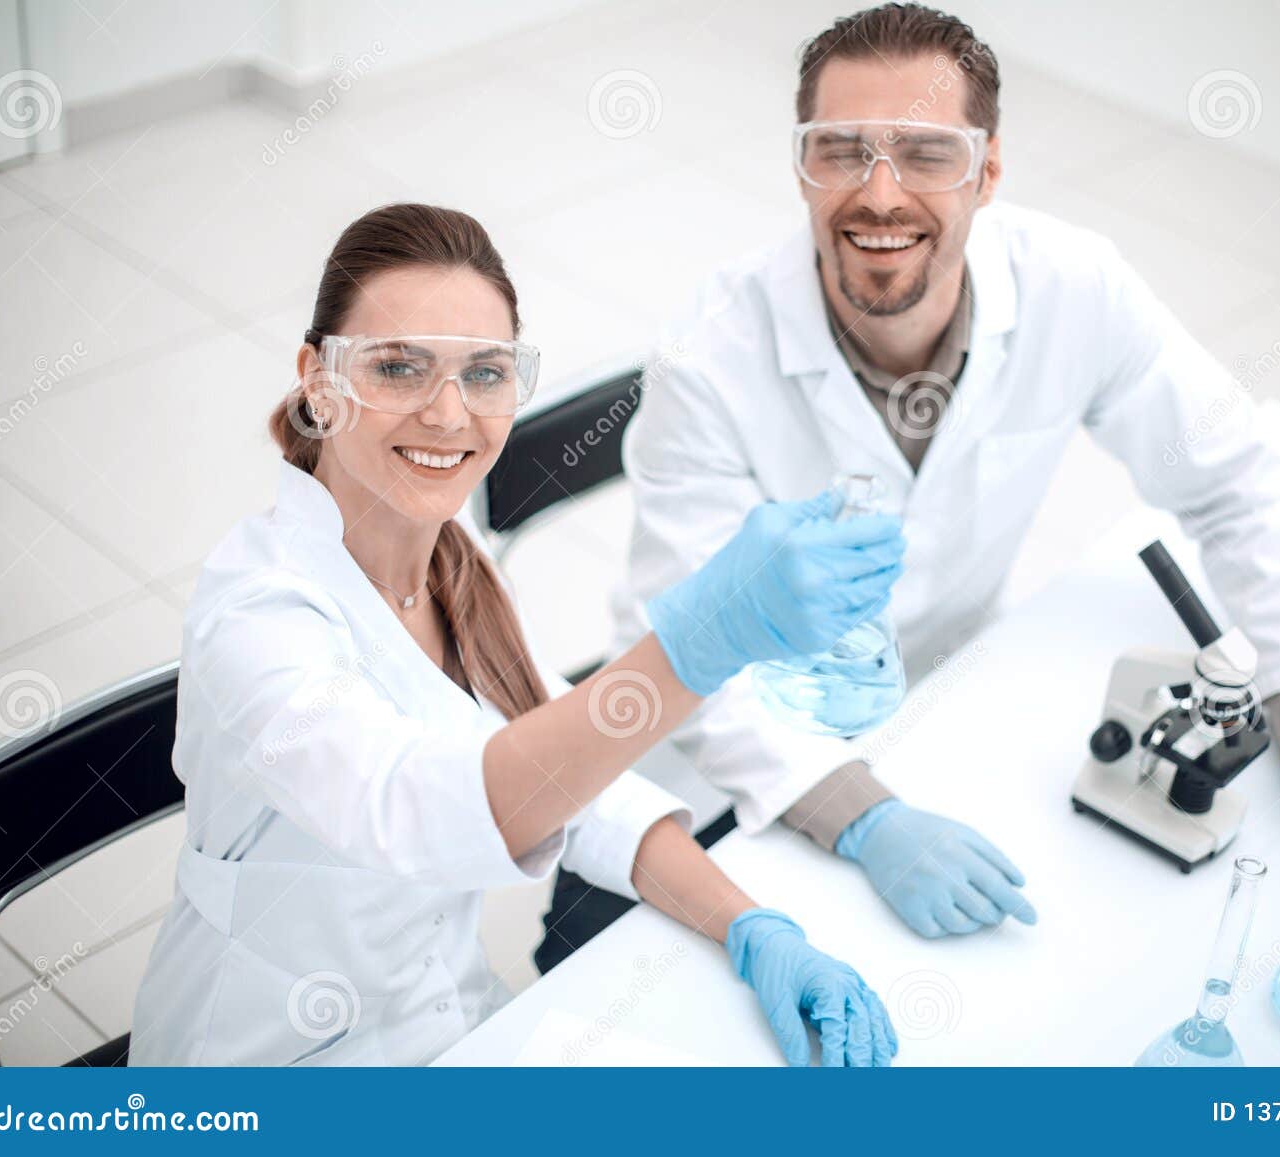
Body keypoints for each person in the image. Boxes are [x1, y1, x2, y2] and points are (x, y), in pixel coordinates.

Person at [537, 3, 1280, 967]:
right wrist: (861, 816)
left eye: (927, 153)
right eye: (842, 150)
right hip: (718, 758)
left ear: (988, 172)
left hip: (946, 702)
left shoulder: (1077, 287)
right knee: (622, 992)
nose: (879, 193)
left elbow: (1231, 481)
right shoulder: (711, 354)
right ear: (801, 168)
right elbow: (677, 636)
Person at [128, 203, 905, 1067]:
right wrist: (696, 645)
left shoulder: (461, 570)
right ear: (319, 378)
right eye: (397, 367)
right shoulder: (255, 615)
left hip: (450, 1029)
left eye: (486, 374)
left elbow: (572, 782)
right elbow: (424, 805)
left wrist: (753, 924)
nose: (449, 414)